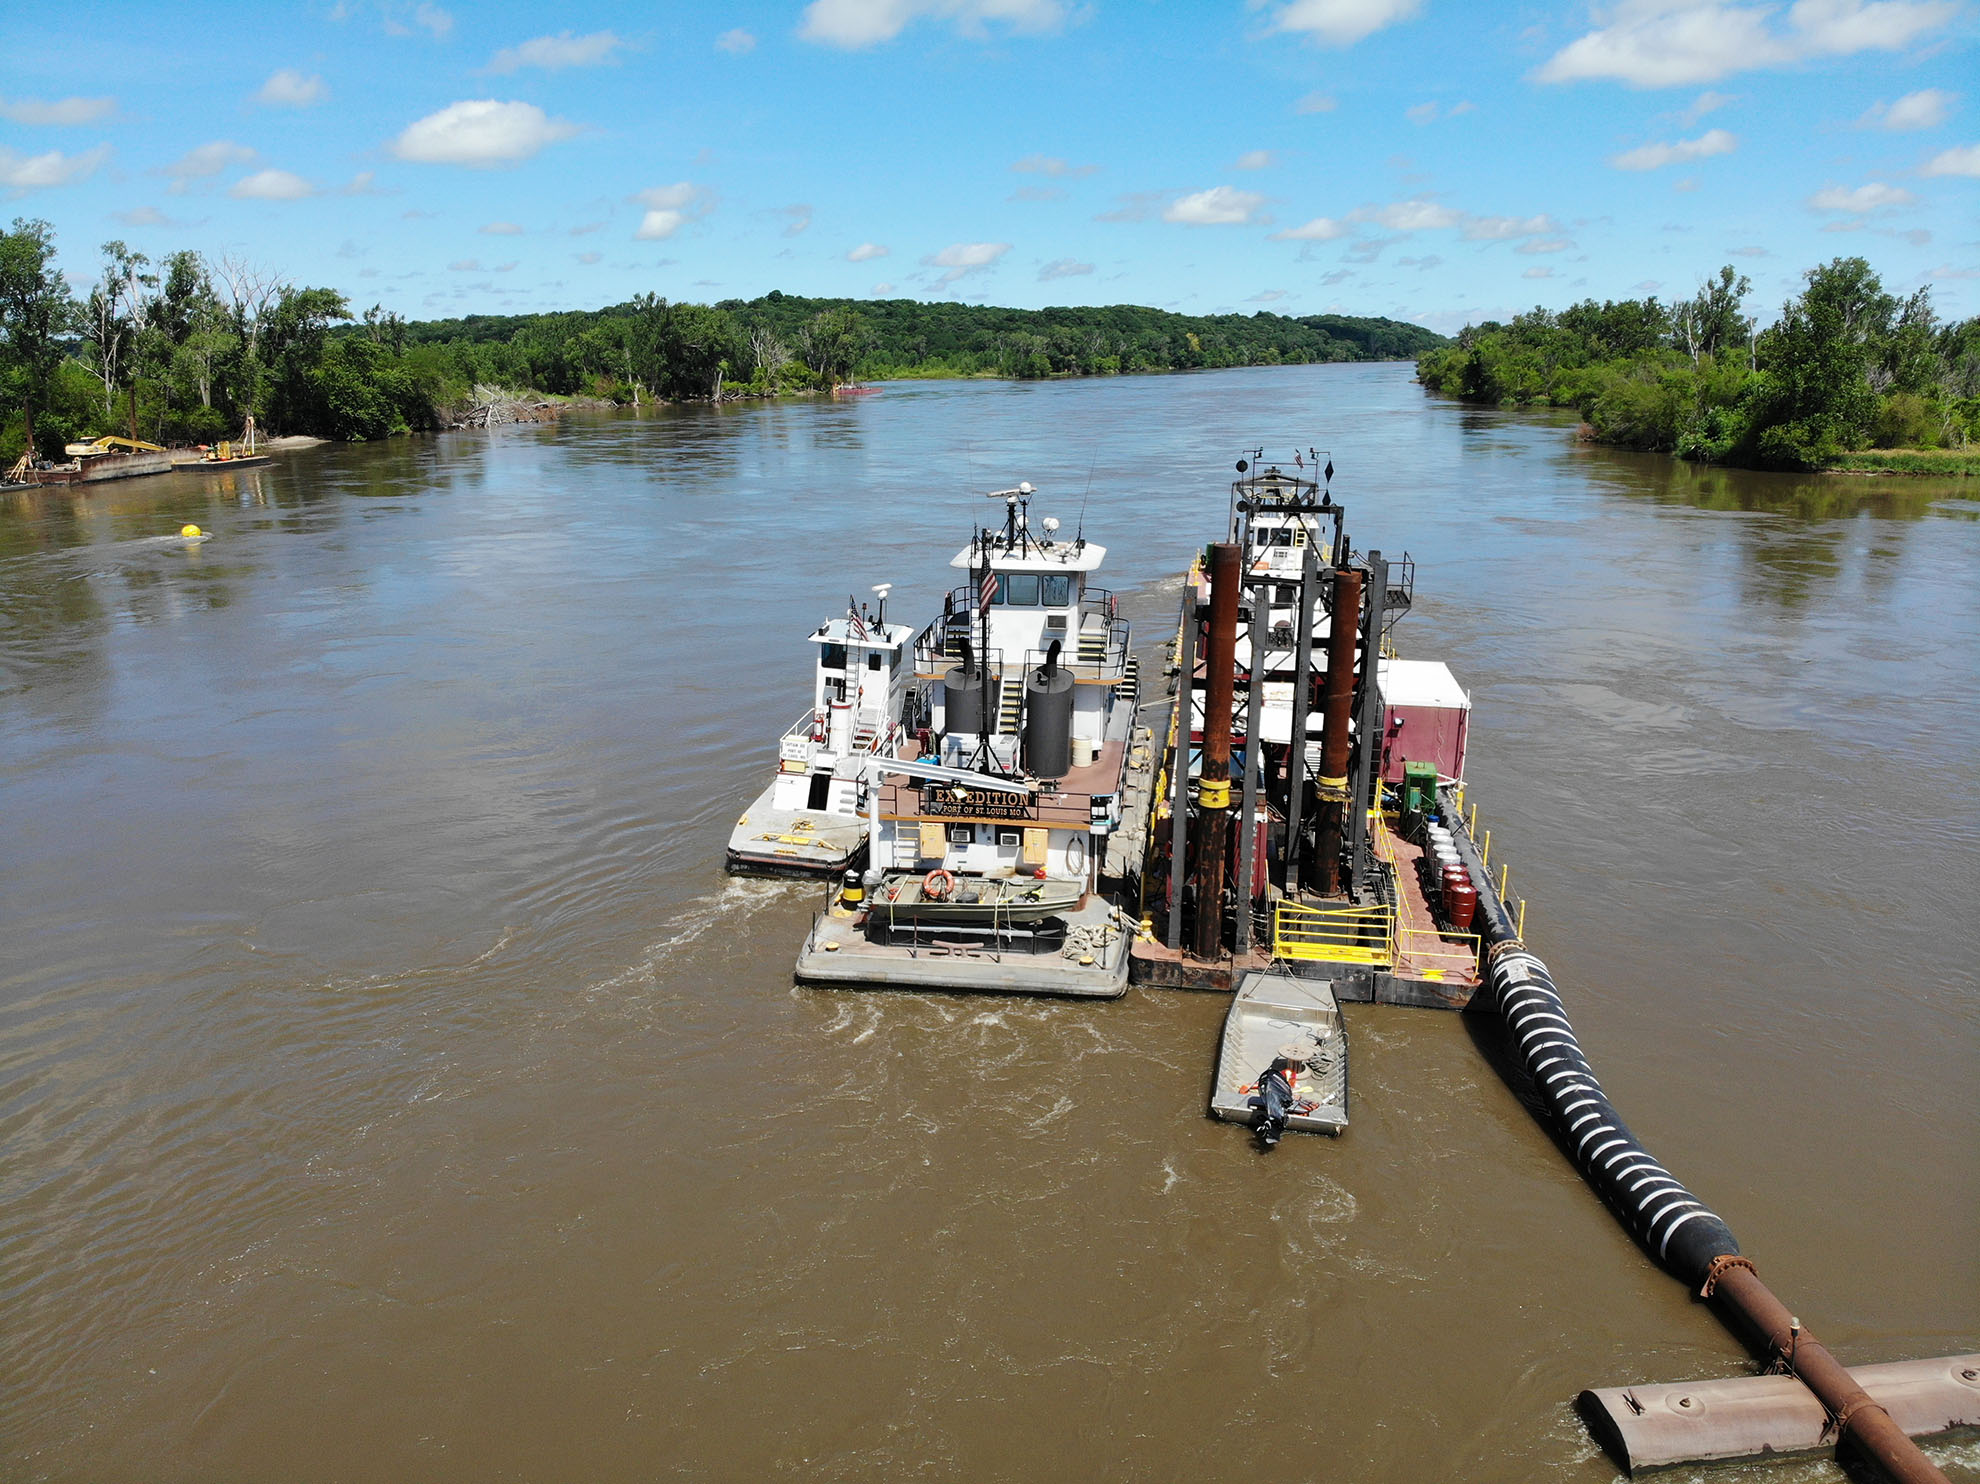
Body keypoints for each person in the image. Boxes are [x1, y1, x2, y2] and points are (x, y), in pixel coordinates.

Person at [1250, 1051, 1304, 1151]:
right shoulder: (1283, 1076)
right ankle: (1272, 1124)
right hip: (1279, 1091)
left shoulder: (1288, 1075)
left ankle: (1272, 1124)